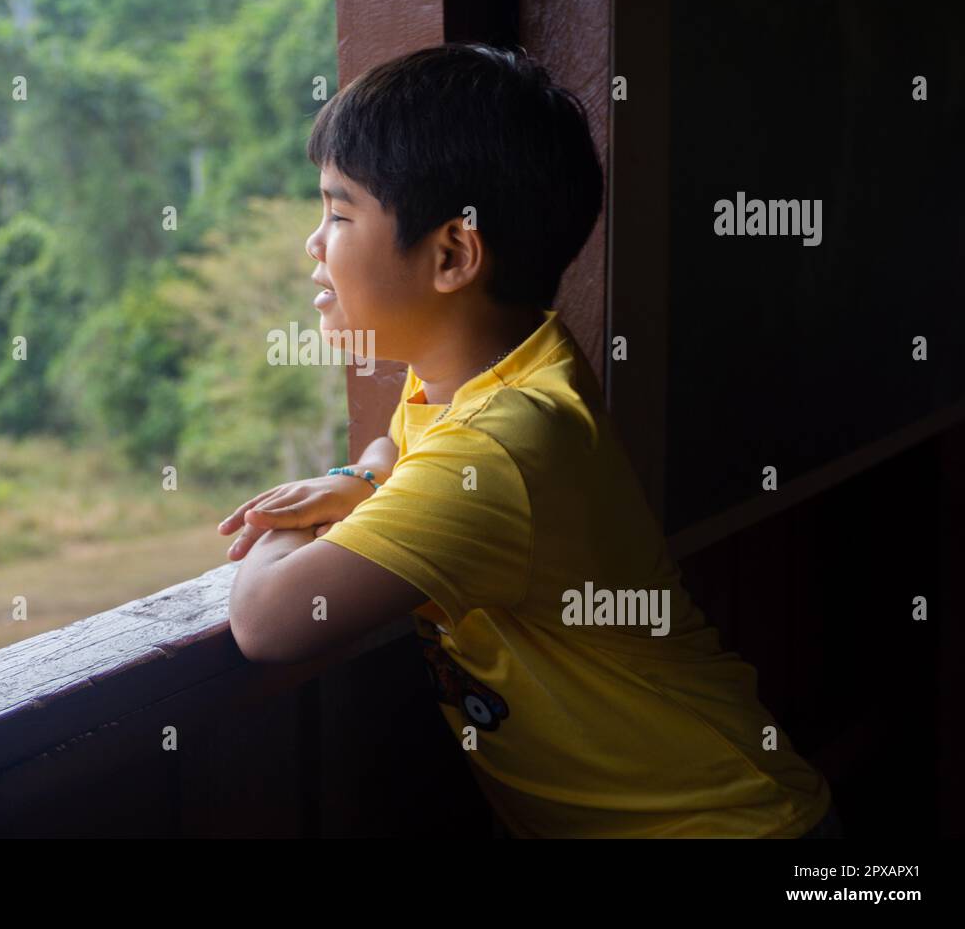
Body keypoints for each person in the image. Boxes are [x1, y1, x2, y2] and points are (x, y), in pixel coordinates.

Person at [223, 42, 835, 838]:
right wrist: (367, 479)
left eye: (338, 213)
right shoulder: (507, 368)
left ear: (452, 255)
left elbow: (268, 621)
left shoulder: (495, 446)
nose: (314, 242)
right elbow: (397, 448)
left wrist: (286, 523)